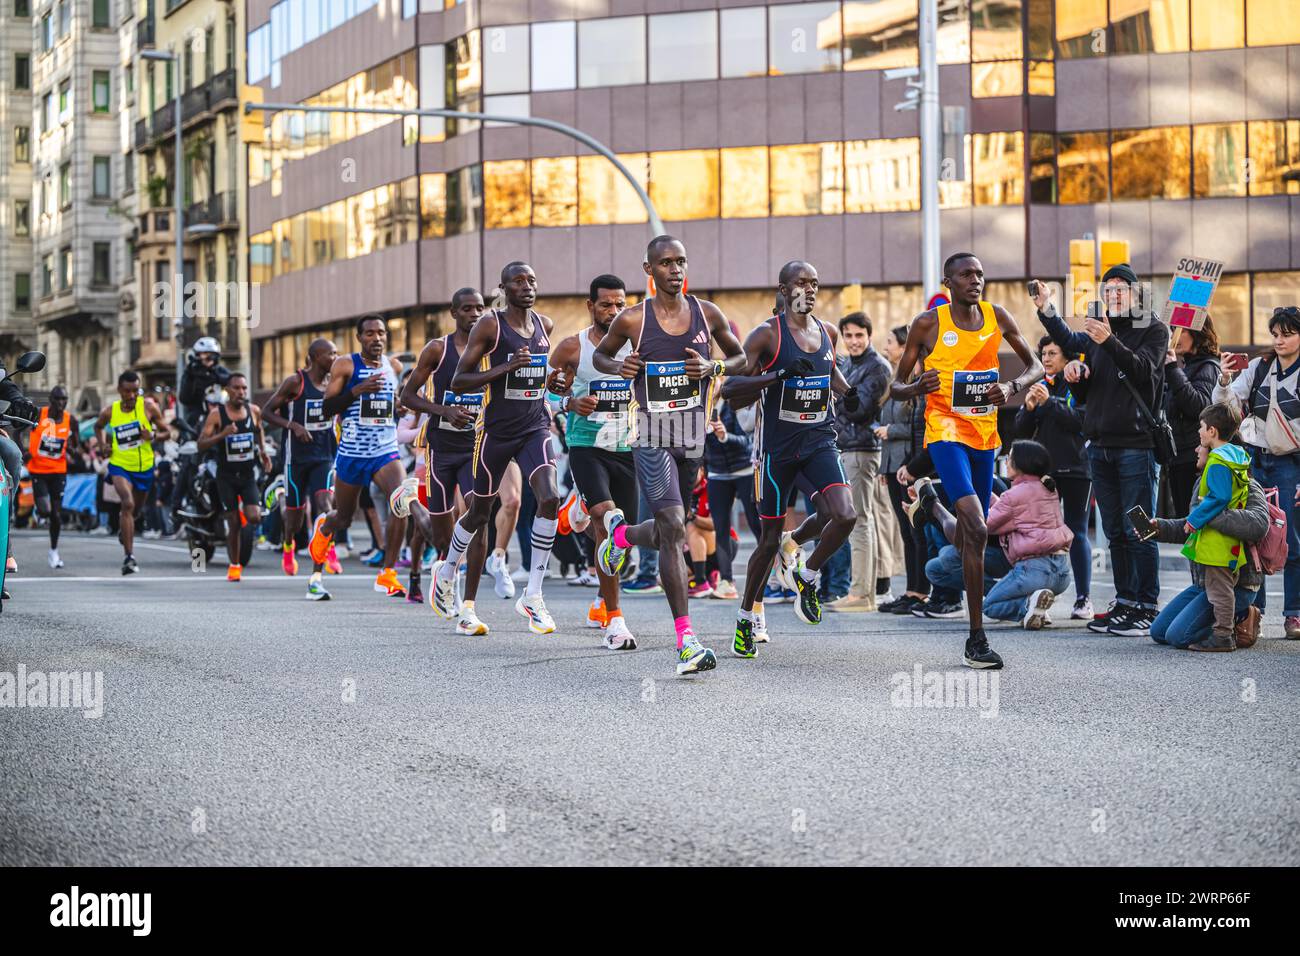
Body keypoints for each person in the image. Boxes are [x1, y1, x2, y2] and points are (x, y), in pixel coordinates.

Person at [593, 236, 748, 675]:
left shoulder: (707, 313)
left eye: (681, 261)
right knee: (674, 529)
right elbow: (603, 357)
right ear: (650, 268)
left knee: (668, 531)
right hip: (651, 433)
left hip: (691, 434)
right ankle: (687, 640)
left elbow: (739, 359)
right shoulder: (632, 319)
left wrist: (712, 367)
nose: (675, 269)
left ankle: (620, 538)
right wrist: (620, 367)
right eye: (666, 263)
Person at [893, 253, 1043, 669]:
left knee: (973, 535)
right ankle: (976, 639)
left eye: (980, 273)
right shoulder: (928, 325)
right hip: (944, 432)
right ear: (948, 283)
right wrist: (916, 386)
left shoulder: (998, 316)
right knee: (977, 525)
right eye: (966, 275)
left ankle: (932, 507)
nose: (975, 280)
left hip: (984, 434)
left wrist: (1012, 385)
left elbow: (1034, 367)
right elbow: (895, 385)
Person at [720, 260, 857, 658]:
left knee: (845, 514)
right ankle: (746, 618)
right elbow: (731, 388)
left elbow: (829, 374)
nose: (810, 290)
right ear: (783, 290)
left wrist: (849, 394)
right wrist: (776, 376)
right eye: (801, 283)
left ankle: (807, 573)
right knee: (765, 542)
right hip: (777, 451)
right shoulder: (768, 335)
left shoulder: (827, 332)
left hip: (818, 440)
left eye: (815, 283)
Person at [428, 263, 571, 634]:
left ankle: (534, 595)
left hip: (535, 426)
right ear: (504, 288)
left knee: (550, 497)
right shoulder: (490, 325)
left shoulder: (545, 325)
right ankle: (446, 571)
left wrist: (553, 382)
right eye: (518, 281)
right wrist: (505, 368)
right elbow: (461, 380)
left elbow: (537, 377)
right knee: (479, 512)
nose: (527, 286)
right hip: (494, 432)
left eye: (531, 280)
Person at [1033, 262, 1168, 637]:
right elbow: (1069, 343)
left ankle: (1147, 605)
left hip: (1137, 446)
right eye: (1106, 291)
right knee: (1114, 529)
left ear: (1136, 294)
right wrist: (1048, 310)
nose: (1112, 296)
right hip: (1100, 446)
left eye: (1120, 289)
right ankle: (1125, 603)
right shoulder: (1095, 334)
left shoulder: (1153, 330)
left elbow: (1143, 371)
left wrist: (1108, 340)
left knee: (1140, 528)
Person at [547, 274, 638, 650]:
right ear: (591, 306)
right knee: (606, 520)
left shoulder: (639, 344)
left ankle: (575, 512)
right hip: (586, 444)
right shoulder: (572, 348)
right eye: (606, 305)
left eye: (620, 305)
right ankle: (615, 622)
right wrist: (569, 403)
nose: (614, 312)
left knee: (624, 537)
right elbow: (541, 395)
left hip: (629, 447)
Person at [397, 288, 492, 635]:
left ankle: (469, 608)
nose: (474, 314)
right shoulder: (438, 349)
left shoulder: (493, 350)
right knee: (442, 536)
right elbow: (407, 396)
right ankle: (411, 503)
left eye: (480, 308)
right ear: (453, 312)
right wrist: (444, 410)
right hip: (440, 448)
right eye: (467, 309)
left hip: (476, 449)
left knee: (478, 519)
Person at [307, 314, 410, 598]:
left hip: (384, 451)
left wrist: (396, 407)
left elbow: (387, 404)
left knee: (400, 502)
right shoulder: (346, 365)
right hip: (352, 452)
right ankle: (320, 547)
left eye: (381, 333)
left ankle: (387, 573)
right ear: (359, 337)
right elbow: (326, 409)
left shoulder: (394, 366)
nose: (376, 338)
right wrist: (357, 390)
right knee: (343, 518)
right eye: (369, 333)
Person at [1213, 305, 1300, 639]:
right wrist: (1223, 381)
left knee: (1290, 538)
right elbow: (1226, 408)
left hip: (1291, 463)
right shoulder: (1260, 367)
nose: (1279, 340)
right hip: (1254, 459)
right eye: (1275, 334)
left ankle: (1293, 614)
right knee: (1253, 537)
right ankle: (1254, 611)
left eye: (1287, 334)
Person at [1144, 441, 1267, 650]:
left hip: (1236, 584)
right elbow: (1192, 524)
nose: (1196, 450)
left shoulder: (1248, 484)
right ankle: (1224, 622)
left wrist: (1209, 515)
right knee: (1159, 632)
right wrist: (1160, 528)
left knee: (1178, 636)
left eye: (1201, 446)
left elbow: (1259, 524)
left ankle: (1237, 620)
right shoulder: (1204, 482)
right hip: (1204, 584)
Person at [1013, 336, 1092, 619]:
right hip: (1044, 475)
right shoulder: (1040, 386)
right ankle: (1039, 600)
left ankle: (1083, 599)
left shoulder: (1079, 383)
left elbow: (1081, 421)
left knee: (1076, 532)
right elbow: (1020, 431)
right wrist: (1030, 408)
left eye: (1053, 353)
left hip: (1077, 470)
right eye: (1043, 353)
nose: (1046, 359)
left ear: (1066, 356)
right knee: (1042, 537)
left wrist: (1049, 404)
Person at [261, 338, 341, 598]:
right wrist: (293, 426)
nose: (336, 358)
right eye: (332, 354)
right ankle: (288, 543)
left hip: (324, 455)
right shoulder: (296, 382)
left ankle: (326, 552)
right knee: (295, 517)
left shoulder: (335, 381)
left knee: (325, 505)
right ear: (316, 357)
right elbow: (267, 412)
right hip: (296, 457)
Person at [1168, 403, 1252, 651]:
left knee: (1219, 592)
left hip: (1217, 542)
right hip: (1230, 542)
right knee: (1222, 589)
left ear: (1213, 431)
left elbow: (1219, 497)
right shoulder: (1235, 456)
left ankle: (1222, 636)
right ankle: (1222, 633)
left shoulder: (1217, 461)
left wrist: (1194, 520)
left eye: (1202, 428)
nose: (1200, 433)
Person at [829, 311, 893, 611]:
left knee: (860, 521)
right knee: (861, 520)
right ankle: (864, 591)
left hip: (862, 450)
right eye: (849, 335)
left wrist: (834, 392)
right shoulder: (849, 365)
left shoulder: (876, 367)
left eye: (859, 335)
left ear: (869, 336)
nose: (853, 341)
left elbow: (860, 409)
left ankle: (861, 595)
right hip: (850, 447)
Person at [978, 440, 1073, 628]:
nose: (1006, 462)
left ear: (1021, 463)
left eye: (1010, 458)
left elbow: (986, 526)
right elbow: (1015, 511)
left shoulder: (1014, 496)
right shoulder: (1048, 488)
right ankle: (1036, 608)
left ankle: (1029, 605)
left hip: (1034, 571)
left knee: (989, 606)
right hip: (1062, 572)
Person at [874, 326, 929, 614]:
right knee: (907, 533)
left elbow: (915, 429)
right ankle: (911, 590)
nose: (886, 347)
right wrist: (885, 469)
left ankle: (921, 591)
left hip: (910, 466)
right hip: (894, 466)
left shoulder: (917, 387)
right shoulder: (897, 383)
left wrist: (890, 430)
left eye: (891, 342)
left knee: (916, 530)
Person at [94, 371, 172, 574]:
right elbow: (98, 426)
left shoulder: (148, 407)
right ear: (119, 390)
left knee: (135, 512)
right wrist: (103, 445)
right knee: (127, 504)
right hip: (120, 465)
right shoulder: (110, 411)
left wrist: (153, 435)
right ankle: (129, 558)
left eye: (135, 391)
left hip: (145, 467)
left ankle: (125, 528)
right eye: (127, 391)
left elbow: (167, 432)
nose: (131, 395)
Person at [196, 373, 272, 582]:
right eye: (237, 388)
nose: (241, 392)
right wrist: (222, 434)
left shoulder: (253, 411)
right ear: (227, 391)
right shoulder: (217, 415)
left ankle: (245, 514)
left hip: (247, 474)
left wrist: (263, 452)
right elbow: (201, 444)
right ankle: (235, 565)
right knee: (234, 522)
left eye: (244, 388)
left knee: (255, 516)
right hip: (226, 475)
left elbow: (259, 432)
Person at [1164, 318, 1221, 516]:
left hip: (1194, 458)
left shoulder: (1209, 367)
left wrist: (1172, 369)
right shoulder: (1186, 367)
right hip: (1179, 457)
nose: (1174, 336)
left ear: (1198, 333)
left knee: (1193, 524)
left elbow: (1198, 407)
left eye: (1180, 331)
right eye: (1172, 330)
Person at [704, 397, 759, 603]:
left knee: (757, 524)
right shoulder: (702, 407)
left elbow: (747, 439)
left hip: (744, 469)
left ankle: (773, 574)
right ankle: (726, 581)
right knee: (721, 528)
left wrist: (725, 436)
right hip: (717, 474)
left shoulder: (734, 403)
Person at [26, 385, 78, 569]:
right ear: (51, 399)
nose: (61, 403)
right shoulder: (39, 414)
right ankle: (39, 511)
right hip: (38, 470)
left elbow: (75, 443)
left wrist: (72, 449)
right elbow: (18, 430)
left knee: (55, 514)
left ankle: (54, 551)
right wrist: (23, 450)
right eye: (58, 399)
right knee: (46, 511)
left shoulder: (70, 420)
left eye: (65, 399)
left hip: (58, 471)